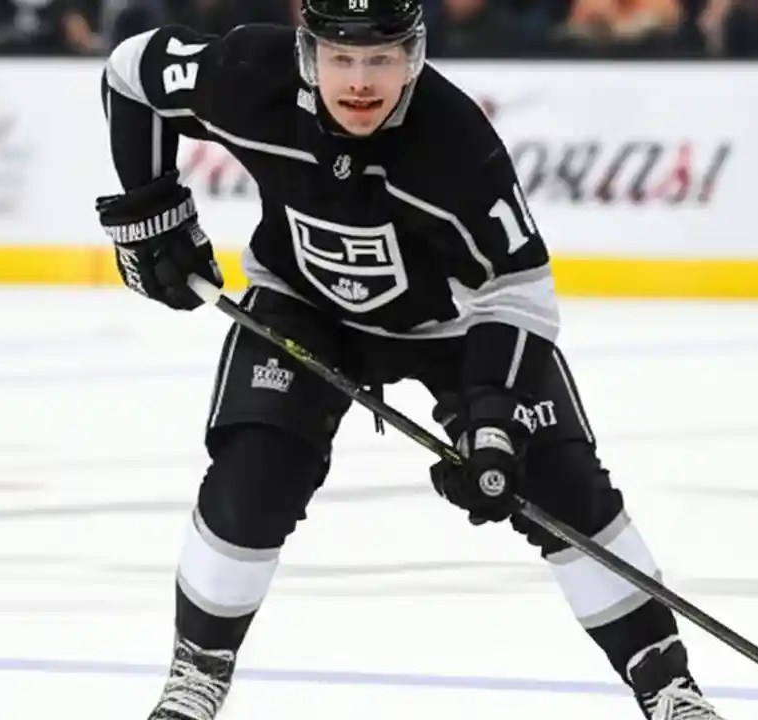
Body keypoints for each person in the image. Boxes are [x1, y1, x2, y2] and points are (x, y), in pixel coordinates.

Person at [95, 2, 725, 719]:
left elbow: (517, 293)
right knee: (254, 473)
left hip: (456, 328)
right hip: (305, 306)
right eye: (341, 58)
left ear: (414, 53)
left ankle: (667, 687)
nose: (361, 81)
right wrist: (150, 211)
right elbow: (131, 73)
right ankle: (195, 676)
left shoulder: (457, 144)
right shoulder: (246, 77)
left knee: (564, 490)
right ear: (307, 53)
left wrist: (491, 421)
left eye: (382, 58)